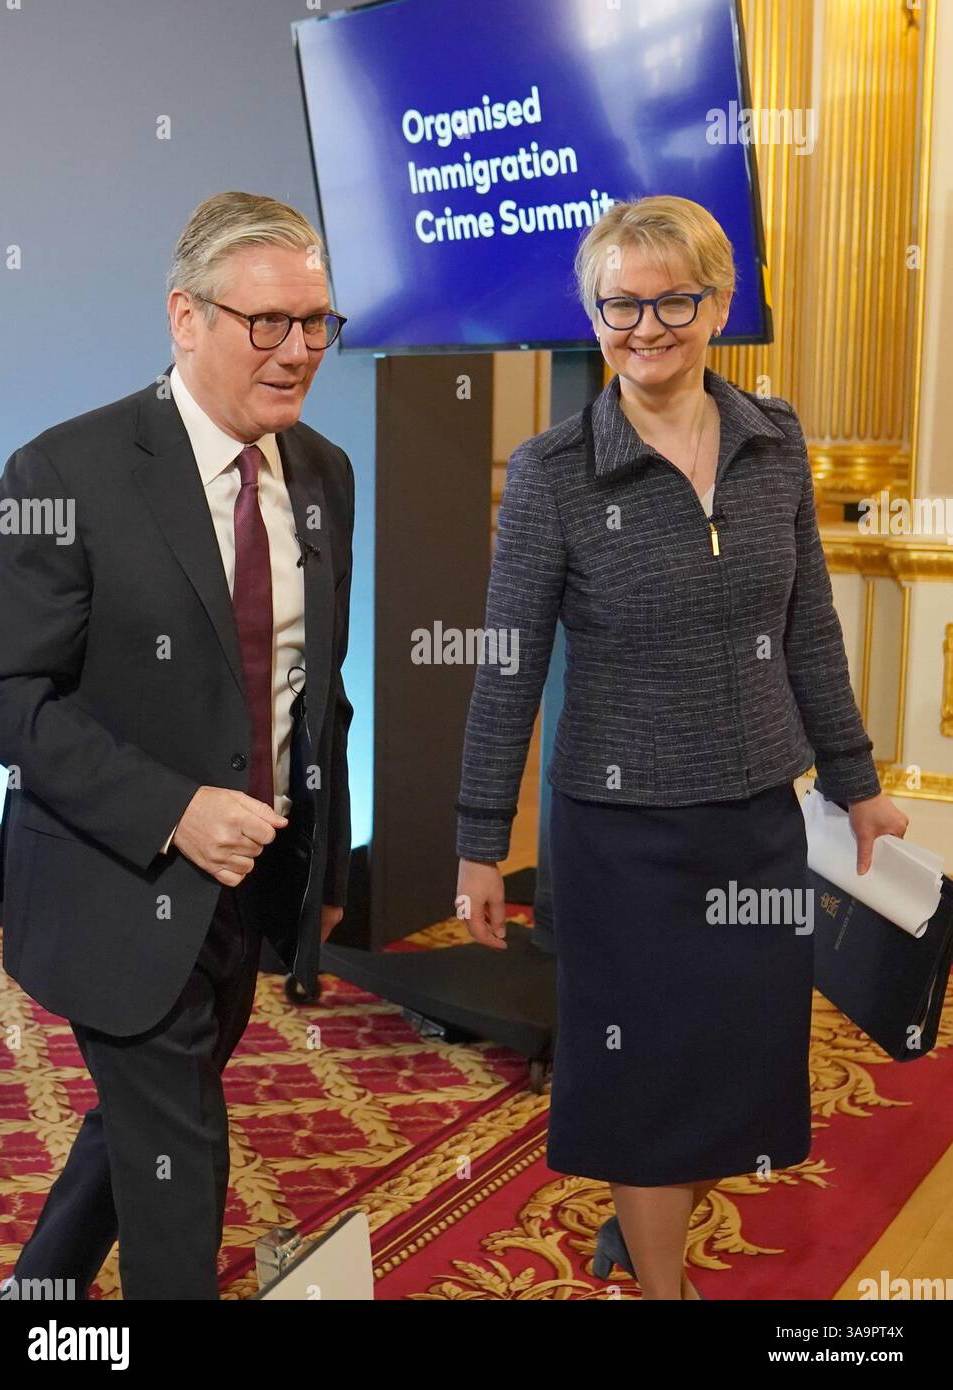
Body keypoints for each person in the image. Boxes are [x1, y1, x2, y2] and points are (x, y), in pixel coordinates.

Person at [454, 194, 908, 1301]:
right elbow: (507, 662)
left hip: (756, 820)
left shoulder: (773, 438)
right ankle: (664, 1288)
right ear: (592, 310)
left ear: (718, 305)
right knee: (645, 1079)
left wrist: (856, 784)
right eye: (621, 303)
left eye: (674, 300)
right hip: (623, 837)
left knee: (732, 1069)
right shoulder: (557, 472)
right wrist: (476, 838)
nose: (647, 326)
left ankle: (639, 1223)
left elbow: (807, 625)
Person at [0, 191, 355, 1299]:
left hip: (252, 886)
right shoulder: (58, 473)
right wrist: (172, 809)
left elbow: (315, 691)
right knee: (180, 1157)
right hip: (115, 879)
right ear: (185, 318)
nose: (298, 353)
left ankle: (36, 1300)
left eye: (318, 324)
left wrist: (321, 867)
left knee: (149, 1111)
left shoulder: (324, 471)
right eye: (268, 325)